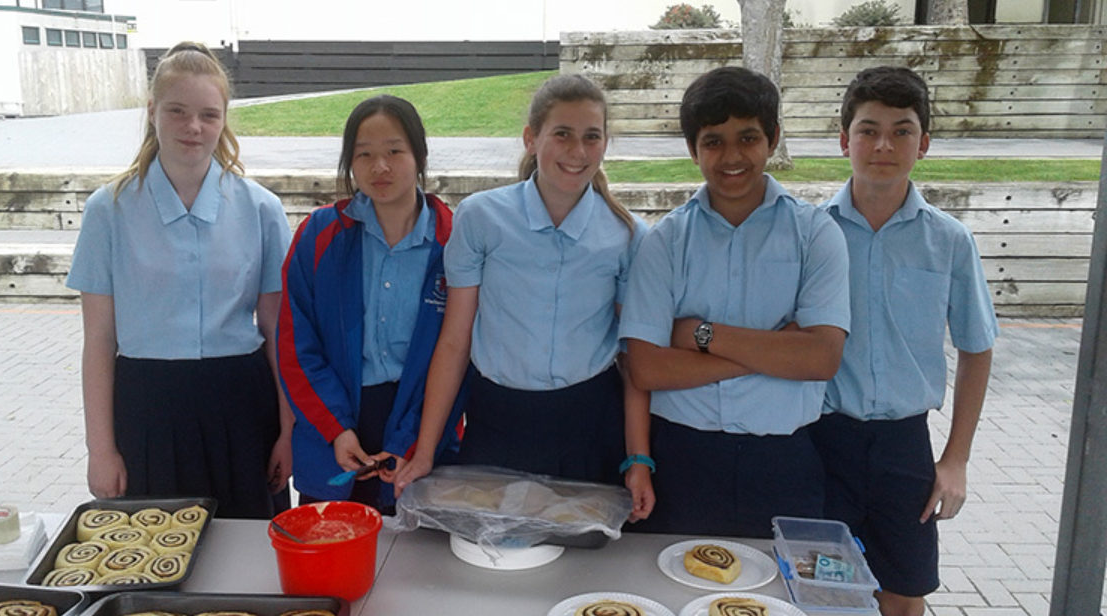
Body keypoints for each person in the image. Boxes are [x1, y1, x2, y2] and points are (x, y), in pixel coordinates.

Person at [394, 74, 654, 523]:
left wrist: (638, 460)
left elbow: (632, 358)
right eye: (562, 134)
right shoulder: (482, 218)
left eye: (592, 137)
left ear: (606, 143)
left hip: (590, 425)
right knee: (495, 568)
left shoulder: (626, 234)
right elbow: (455, 341)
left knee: (582, 570)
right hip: (498, 422)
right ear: (531, 138)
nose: (577, 151)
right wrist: (426, 448)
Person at [618, 66, 850, 537]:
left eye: (747, 138)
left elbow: (822, 357)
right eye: (713, 141)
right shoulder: (665, 241)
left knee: (780, 603)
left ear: (773, 139)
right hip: (682, 457)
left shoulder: (815, 233)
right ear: (692, 149)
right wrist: (774, 353)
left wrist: (702, 337)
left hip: (784, 460)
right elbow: (645, 368)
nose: (732, 156)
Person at [66, 42, 293, 518]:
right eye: (178, 111)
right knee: (154, 564)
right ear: (152, 112)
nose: (194, 127)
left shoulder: (261, 209)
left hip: (243, 407)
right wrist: (100, 449)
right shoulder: (107, 211)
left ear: (224, 119)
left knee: (246, 561)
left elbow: (278, 334)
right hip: (147, 409)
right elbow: (99, 341)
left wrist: (289, 431)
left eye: (209, 115)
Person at [811, 66, 997, 616]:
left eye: (902, 130)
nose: (883, 145)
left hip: (902, 445)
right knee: (818, 588)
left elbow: (977, 347)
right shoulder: (811, 231)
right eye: (868, 130)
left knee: (904, 603)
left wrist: (956, 458)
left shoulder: (948, 240)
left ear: (925, 143)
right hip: (822, 438)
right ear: (844, 140)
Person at [277, 95, 464, 513]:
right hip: (334, 426)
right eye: (365, 155)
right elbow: (295, 346)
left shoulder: (455, 241)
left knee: (418, 571)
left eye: (395, 151)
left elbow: (462, 356)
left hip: (424, 429)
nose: (380, 167)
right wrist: (337, 430)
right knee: (333, 558)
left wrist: (412, 440)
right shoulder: (319, 236)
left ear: (419, 155)